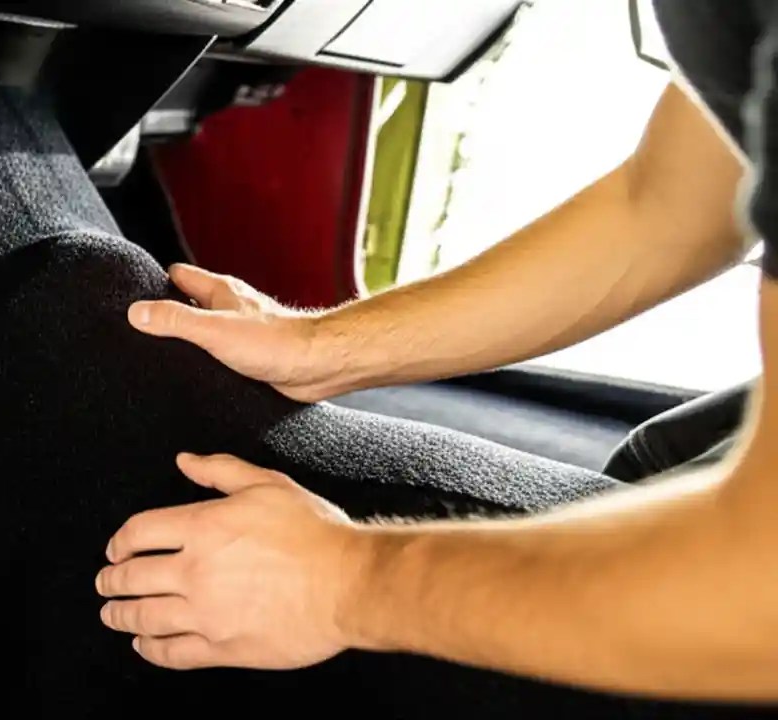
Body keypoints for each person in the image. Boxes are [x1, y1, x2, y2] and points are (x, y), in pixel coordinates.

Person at [96, 0, 778, 703]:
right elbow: (665, 206)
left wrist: (340, 584)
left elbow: (761, 594)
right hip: (694, 500)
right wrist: (316, 347)